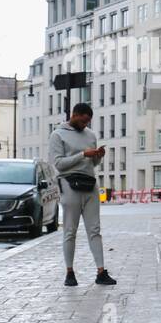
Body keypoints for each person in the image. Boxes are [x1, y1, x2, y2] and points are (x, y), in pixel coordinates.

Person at [48, 103, 115, 286]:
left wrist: (97, 156)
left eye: (88, 122)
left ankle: (101, 271)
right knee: (70, 231)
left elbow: (91, 164)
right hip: (69, 184)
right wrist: (83, 154)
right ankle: (70, 272)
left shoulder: (91, 135)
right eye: (83, 120)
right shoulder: (58, 135)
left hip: (89, 184)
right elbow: (58, 164)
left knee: (95, 229)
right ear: (75, 115)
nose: (85, 125)